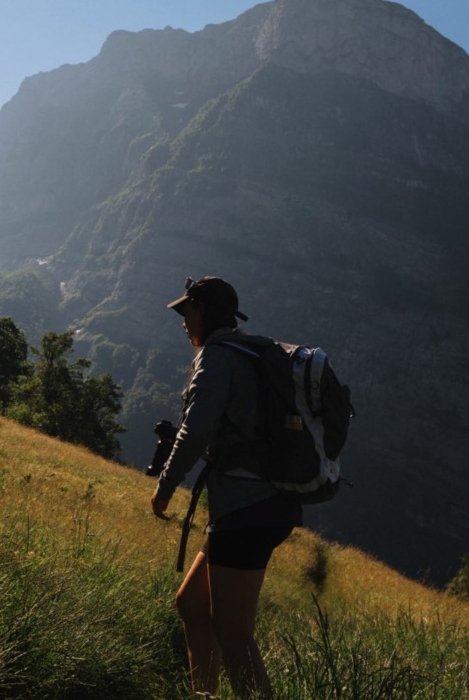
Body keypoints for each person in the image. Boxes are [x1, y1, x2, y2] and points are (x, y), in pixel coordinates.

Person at [151, 275, 300, 699]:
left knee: (233, 633)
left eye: (187, 311)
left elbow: (194, 432)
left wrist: (165, 486)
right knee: (192, 605)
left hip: (245, 509)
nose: (183, 321)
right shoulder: (252, 352)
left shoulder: (216, 358)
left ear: (202, 310)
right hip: (267, 504)